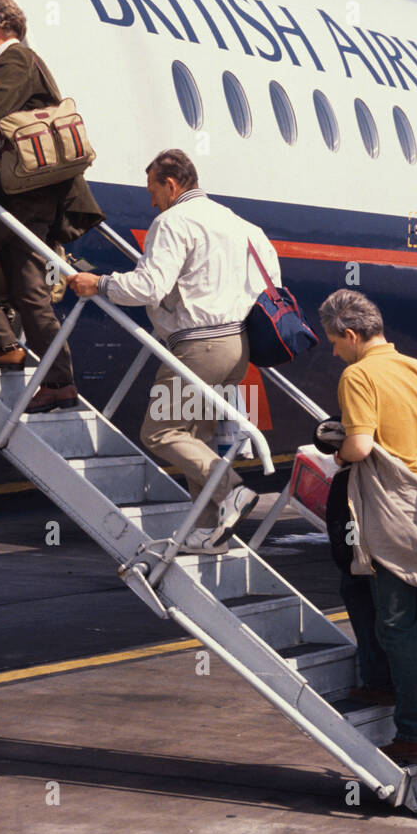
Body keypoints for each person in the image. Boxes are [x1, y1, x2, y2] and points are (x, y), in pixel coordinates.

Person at [69, 149, 280, 552]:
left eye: (153, 190)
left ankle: (233, 490)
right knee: (195, 439)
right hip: (238, 347)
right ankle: (207, 534)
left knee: (161, 431)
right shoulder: (241, 224)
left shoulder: (172, 221)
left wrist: (99, 284)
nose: (151, 200)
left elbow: (149, 287)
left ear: (171, 184)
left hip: (198, 347)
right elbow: (270, 281)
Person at [319, 289, 417, 764]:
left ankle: (415, 733)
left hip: (393, 502)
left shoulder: (358, 375)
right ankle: (378, 679)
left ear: (352, 335)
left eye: (335, 342)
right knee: (361, 587)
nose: (333, 351)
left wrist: (334, 454)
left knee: (395, 622)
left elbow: (358, 447)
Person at [0, 0, 103, 413]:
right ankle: (60, 383)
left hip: (21, 198)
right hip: (35, 198)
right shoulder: (29, 62)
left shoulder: (14, 61)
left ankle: (6, 344)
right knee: (29, 289)